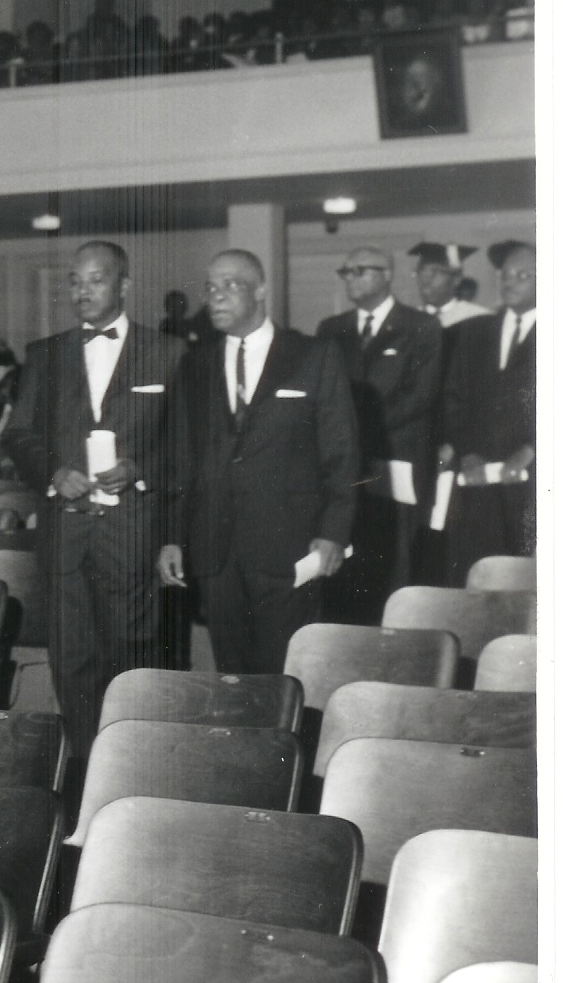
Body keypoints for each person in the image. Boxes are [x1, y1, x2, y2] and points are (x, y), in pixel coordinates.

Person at [2, 242, 186, 763]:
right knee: (73, 665)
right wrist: (55, 473)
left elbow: (186, 448)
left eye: (96, 280)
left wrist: (140, 469)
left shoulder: (168, 354)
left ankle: (133, 772)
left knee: (132, 662)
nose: (82, 291)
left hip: (134, 534)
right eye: (75, 281)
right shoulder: (45, 354)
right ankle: (86, 780)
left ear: (124, 286)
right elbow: (18, 436)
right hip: (66, 534)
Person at [159, 249, 360, 675]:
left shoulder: (313, 355)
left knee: (288, 675)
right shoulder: (193, 365)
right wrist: (173, 537)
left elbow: (342, 454)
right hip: (215, 551)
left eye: (231, 285)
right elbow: (180, 462)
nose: (216, 297)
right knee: (232, 673)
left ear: (262, 290)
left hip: (291, 545)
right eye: (211, 288)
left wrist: (333, 533)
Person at [316, 247, 442, 623]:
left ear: (387, 274)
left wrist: (355, 432)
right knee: (349, 554)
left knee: (396, 557)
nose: (351, 278)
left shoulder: (421, 326)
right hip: (344, 464)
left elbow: (419, 396)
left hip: (395, 457)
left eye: (361, 271)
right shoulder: (331, 329)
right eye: (346, 271)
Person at [436, 241, 536, 580]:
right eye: (505, 275)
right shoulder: (475, 332)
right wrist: (468, 452)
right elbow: (454, 401)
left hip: (535, 485)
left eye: (523, 275)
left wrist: (531, 450)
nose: (510, 283)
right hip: (478, 482)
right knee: (475, 579)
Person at [408, 241, 491, 328]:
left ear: (456, 279)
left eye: (435, 271)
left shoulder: (480, 318)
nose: (426, 279)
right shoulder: (408, 319)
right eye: (421, 271)